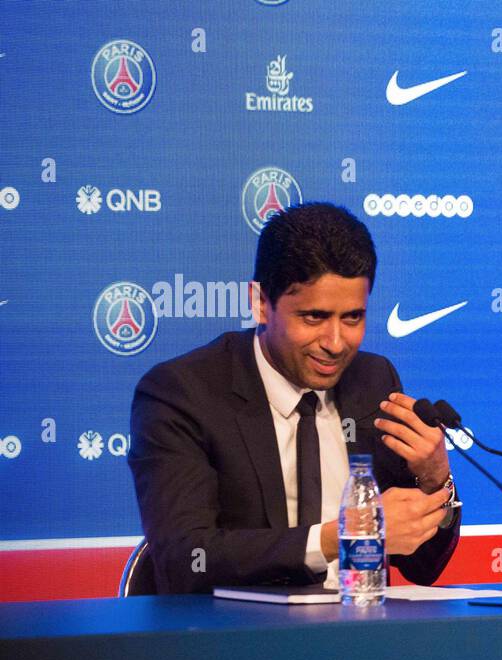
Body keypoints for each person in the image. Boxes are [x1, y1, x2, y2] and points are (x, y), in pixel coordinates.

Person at [128, 202, 460, 593]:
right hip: (237, 640)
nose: (336, 343)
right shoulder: (183, 393)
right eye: (313, 317)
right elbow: (185, 559)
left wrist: (435, 479)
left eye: (352, 317)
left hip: (363, 638)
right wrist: (340, 537)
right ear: (260, 303)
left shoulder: (372, 381)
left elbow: (424, 567)